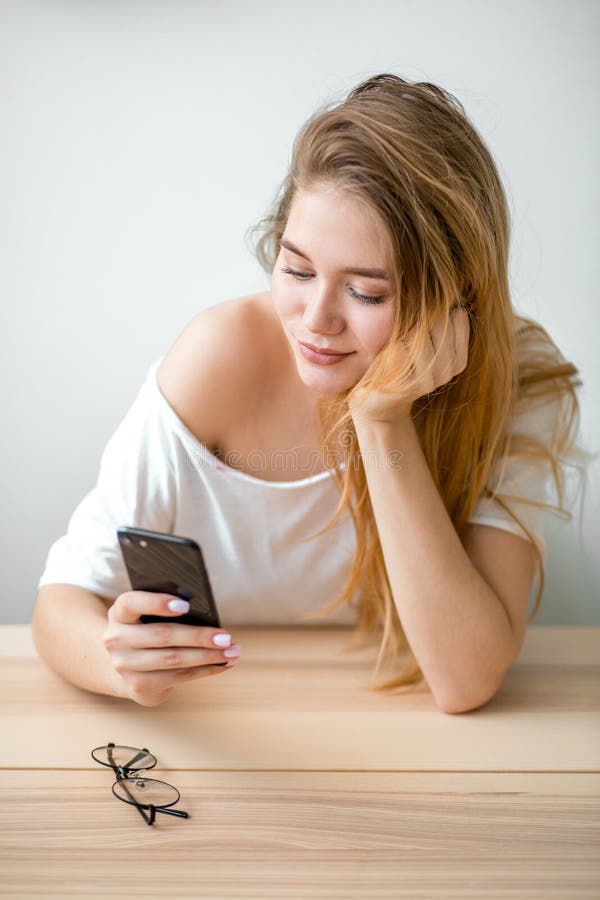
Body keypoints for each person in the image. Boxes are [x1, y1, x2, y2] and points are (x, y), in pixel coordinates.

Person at [32, 73, 585, 713]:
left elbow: (465, 680)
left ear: (451, 300)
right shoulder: (219, 357)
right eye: (296, 268)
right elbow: (62, 600)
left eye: (367, 292)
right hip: (235, 713)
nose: (315, 319)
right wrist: (120, 663)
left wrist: (381, 421)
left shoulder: (517, 384)